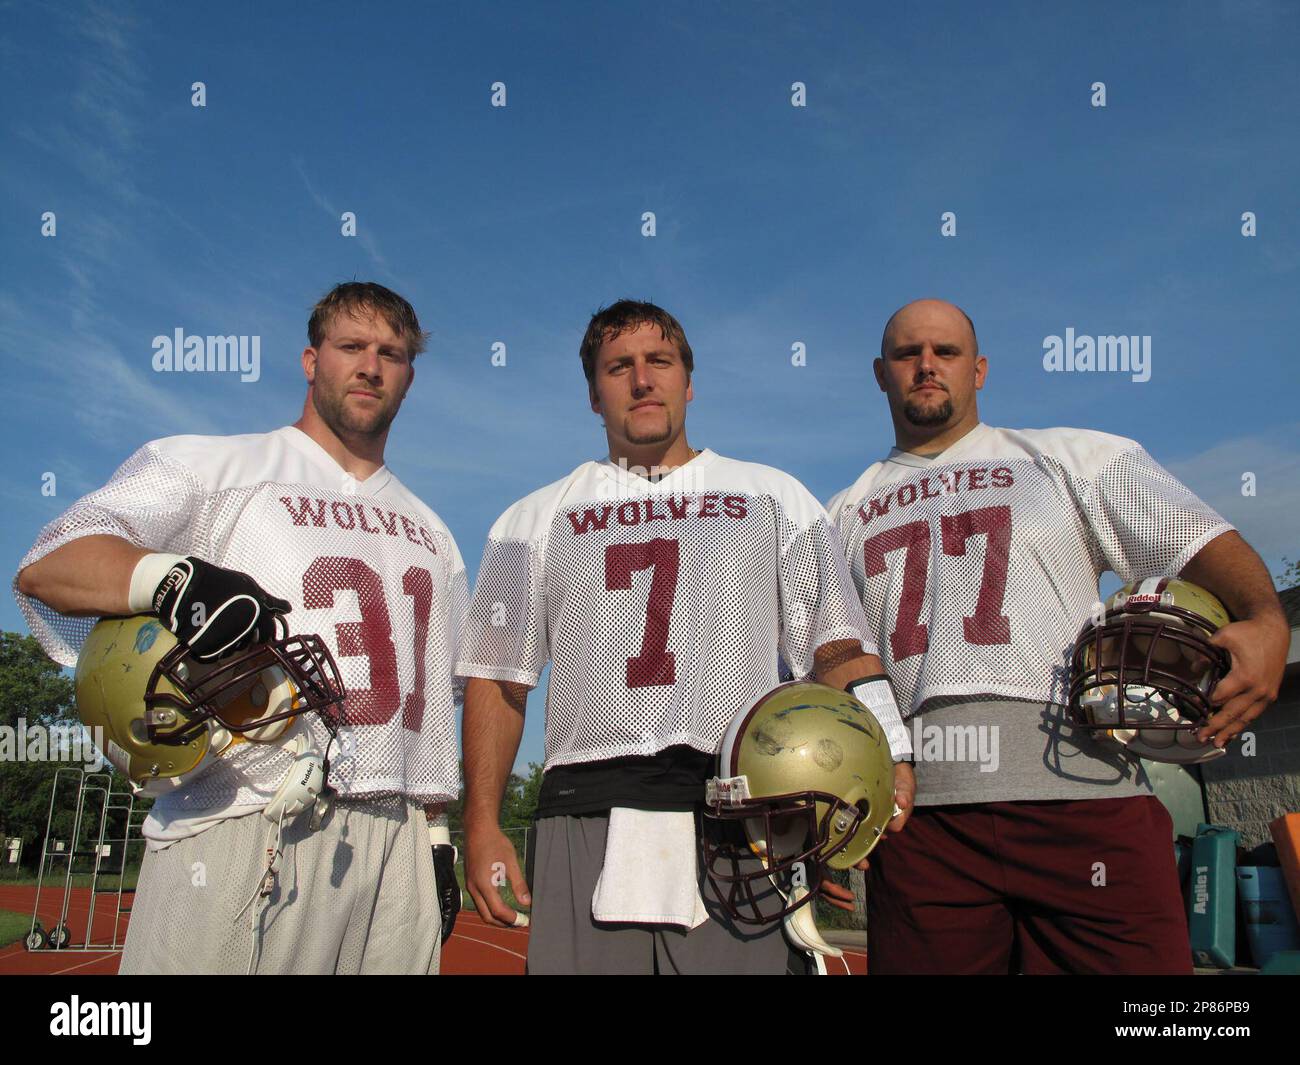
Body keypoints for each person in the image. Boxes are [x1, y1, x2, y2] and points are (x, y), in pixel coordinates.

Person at [15, 281, 467, 974]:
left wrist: (437, 835)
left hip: (397, 841)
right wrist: (172, 581)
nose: (371, 365)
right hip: (247, 812)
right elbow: (52, 562)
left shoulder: (435, 532)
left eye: (392, 353)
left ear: (410, 375)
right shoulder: (216, 467)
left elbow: (440, 703)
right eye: (352, 347)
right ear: (312, 361)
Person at [826, 298, 1288, 975]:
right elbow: (833, 657)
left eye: (946, 351)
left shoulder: (1069, 455)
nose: (927, 365)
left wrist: (1268, 616)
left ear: (978, 368)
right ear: (880, 373)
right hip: (923, 823)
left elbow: (1197, 537)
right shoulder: (841, 512)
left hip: (1086, 798)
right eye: (907, 353)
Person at [456, 299, 914, 975]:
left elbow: (839, 646)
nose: (642, 380)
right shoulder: (532, 518)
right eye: (620, 366)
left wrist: (892, 753)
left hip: (743, 810)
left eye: (659, 361)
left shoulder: (773, 495)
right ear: (593, 393)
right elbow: (499, 679)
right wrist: (482, 821)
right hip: (586, 809)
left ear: (688, 380)